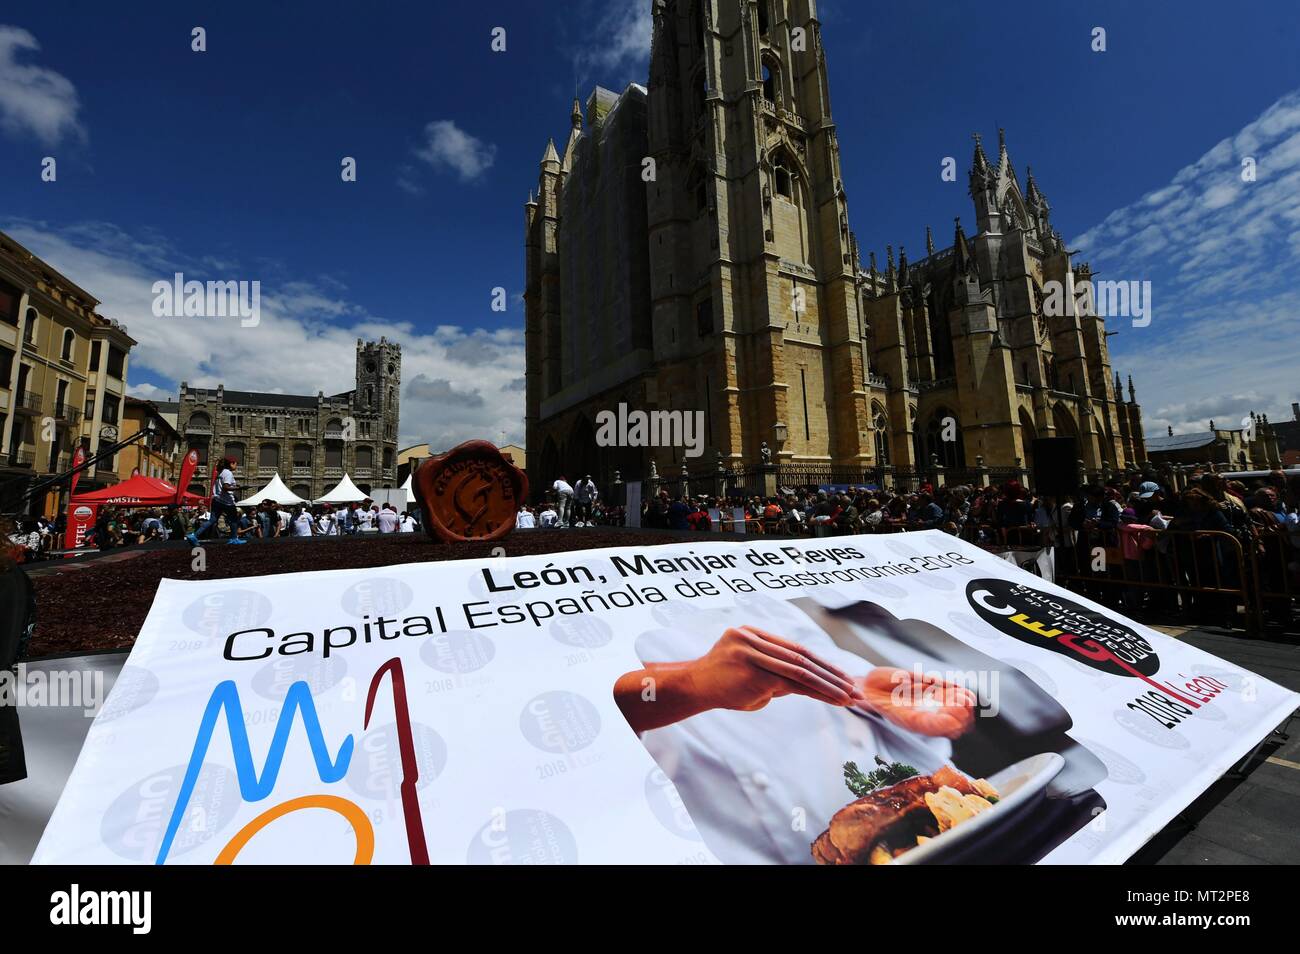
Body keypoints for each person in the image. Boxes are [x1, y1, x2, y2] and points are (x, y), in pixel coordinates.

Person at [187, 457, 247, 546]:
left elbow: (222, 486)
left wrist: (234, 485)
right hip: (227, 501)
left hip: (217, 500)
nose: (236, 466)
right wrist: (239, 488)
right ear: (231, 464)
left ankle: (194, 535)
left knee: (212, 520)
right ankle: (234, 539)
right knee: (234, 520)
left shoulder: (221, 472)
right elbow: (225, 487)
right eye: (236, 464)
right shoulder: (228, 473)